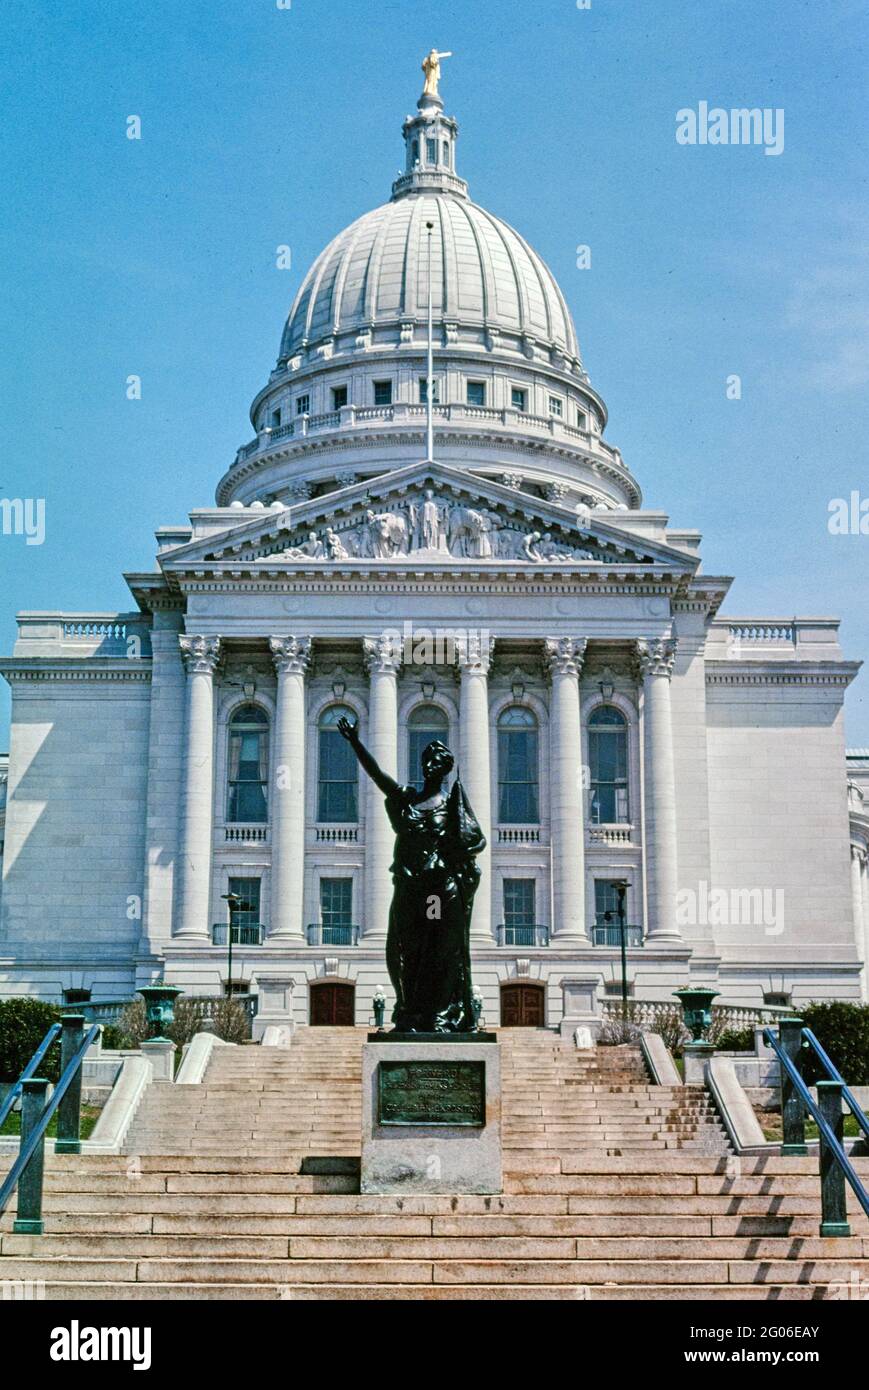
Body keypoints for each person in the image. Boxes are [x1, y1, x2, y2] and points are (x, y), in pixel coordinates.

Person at [337, 716, 485, 1032]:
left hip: (436, 890)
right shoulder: (408, 799)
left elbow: (476, 841)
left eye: (436, 761)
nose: (429, 765)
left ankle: (436, 1014)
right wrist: (354, 743)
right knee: (398, 946)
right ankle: (408, 1009)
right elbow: (378, 776)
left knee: (435, 949)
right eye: (427, 759)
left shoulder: (452, 805)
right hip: (409, 885)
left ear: (444, 769)